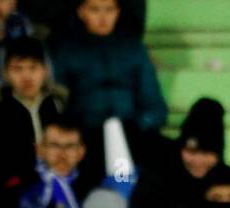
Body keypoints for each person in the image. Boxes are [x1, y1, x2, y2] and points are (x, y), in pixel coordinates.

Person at [47, 0, 166, 165]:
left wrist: (138, 126)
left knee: (134, 173)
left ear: (118, 11)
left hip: (131, 136)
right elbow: (57, 101)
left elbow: (155, 106)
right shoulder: (66, 51)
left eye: (109, 10)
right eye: (95, 10)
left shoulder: (134, 49)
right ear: (81, 12)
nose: (103, 17)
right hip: (84, 140)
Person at [0, 35, 68, 208]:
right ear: (6, 73)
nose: (26, 76)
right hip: (12, 197)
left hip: (60, 189)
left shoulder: (60, 108)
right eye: (18, 69)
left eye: (33, 68)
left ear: (44, 71)